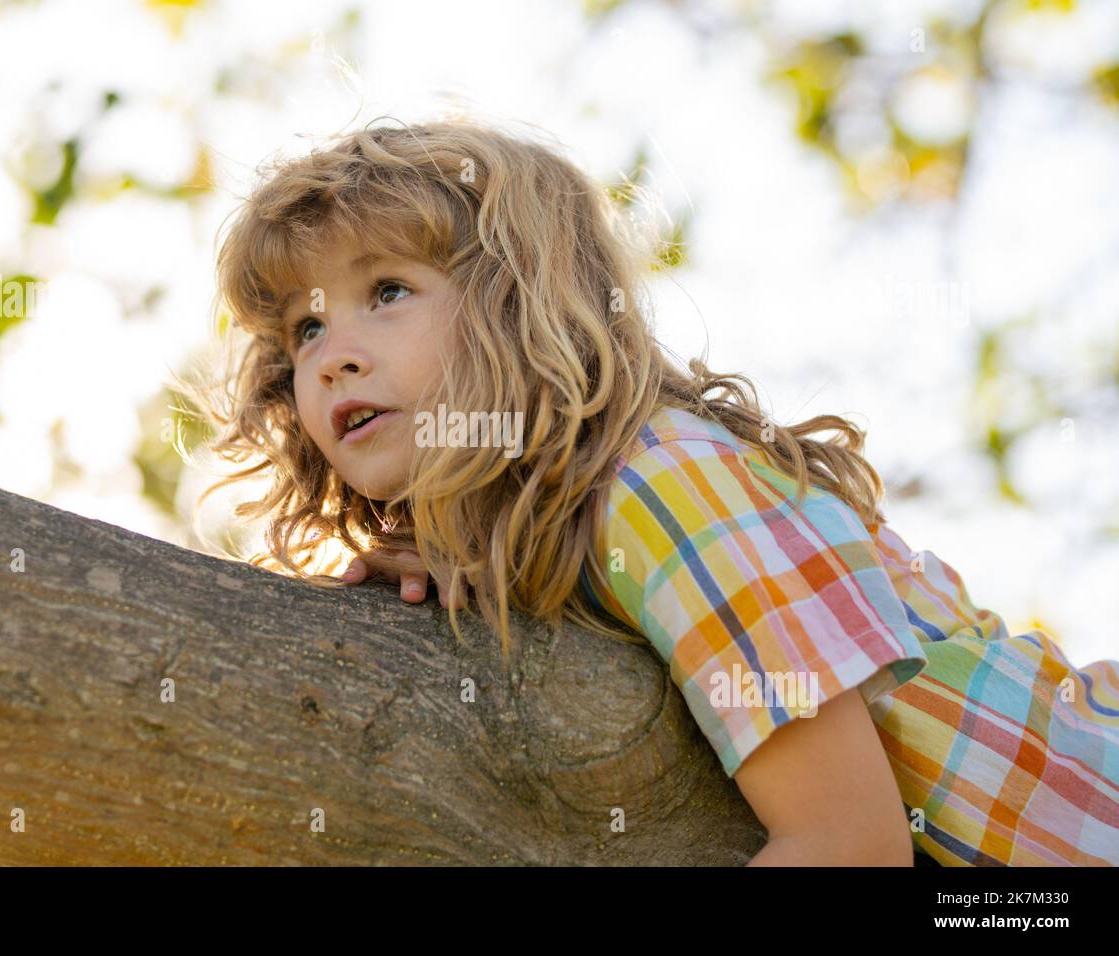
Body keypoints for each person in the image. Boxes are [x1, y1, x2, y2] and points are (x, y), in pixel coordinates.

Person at [186, 116, 1118, 866]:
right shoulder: (583, 531)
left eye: (387, 291)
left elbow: (850, 844)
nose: (334, 355)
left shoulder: (658, 482)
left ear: (520, 303)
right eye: (305, 331)